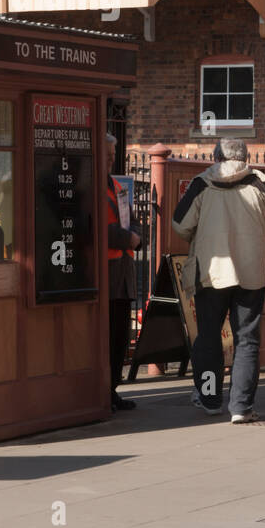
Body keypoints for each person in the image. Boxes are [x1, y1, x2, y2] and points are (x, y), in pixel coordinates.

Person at [172, 138, 265, 423]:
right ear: (245, 157)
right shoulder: (259, 184)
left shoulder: (201, 183)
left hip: (211, 272)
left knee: (208, 337)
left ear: (217, 156)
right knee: (247, 340)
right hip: (250, 274)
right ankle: (241, 407)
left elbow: (180, 224)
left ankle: (210, 399)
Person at [105, 134, 141, 413]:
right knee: (108, 334)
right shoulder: (91, 186)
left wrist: (136, 236)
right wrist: (125, 238)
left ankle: (113, 388)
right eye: (106, 153)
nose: (110, 158)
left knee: (120, 334)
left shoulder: (117, 186)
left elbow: (134, 221)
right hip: (106, 271)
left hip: (123, 270)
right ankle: (104, 390)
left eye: (112, 153)